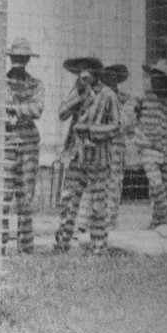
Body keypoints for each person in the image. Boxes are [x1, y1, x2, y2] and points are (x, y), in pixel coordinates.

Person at [54, 57, 120, 253]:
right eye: (80, 73)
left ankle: (98, 247)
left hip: (98, 157)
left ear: (96, 73)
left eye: (87, 71)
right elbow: (61, 113)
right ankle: (62, 244)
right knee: (68, 201)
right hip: (76, 156)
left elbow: (117, 126)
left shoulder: (108, 95)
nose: (83, 76)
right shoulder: (78, 92)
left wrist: (91, 130)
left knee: (98, 205)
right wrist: (79, 95)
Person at [2, 38, 44, 254]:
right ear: (10, 58)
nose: (19, 61)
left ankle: (25, 248)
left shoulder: (36, 84)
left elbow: (37, 109)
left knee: (26, 198)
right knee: (2, 197)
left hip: (28, 145)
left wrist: (13, 109)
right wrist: (20, 108)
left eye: (22, 58)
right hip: (6, 144)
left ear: (27, 59)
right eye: (16, 57)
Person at [133, 60, 167, 228]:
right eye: (153, 76)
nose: (153, 80)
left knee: (164, 187)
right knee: (155, 181)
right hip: (148, 148)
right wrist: (139, 135)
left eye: (158, 77)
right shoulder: (143, 98)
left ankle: (157, 220)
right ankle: (166, 213)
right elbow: (130, 118)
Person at [98, 64, 132, 231]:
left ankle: (110, 219)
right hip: (100, 145)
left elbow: (126, 123)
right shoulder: (99, 97)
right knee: (98, 181)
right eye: (106, 77)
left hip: (117, 146)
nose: (110, 80)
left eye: (113, 77)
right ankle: (94, 219)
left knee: (114, 182)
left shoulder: (125, 99)